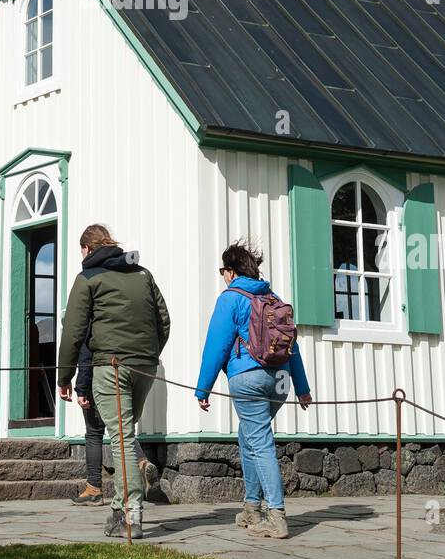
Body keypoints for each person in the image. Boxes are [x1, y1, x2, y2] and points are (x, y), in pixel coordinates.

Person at [58, 224, 170, 539]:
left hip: (111, 366)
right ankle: (120, 509)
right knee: (125, 433)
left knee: (120, 439)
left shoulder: (88, 278)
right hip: (144, 366)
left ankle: (132, 515)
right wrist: (148, 354)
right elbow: (164, 320)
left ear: (87, 249)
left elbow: (73, 331)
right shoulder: (142, 274)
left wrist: (64, 376)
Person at [195, 240, 312, 540]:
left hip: (248, 378)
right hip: (281, 381)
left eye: (223, 270)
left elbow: (216, 345)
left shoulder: (231, 298)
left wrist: (202, 388)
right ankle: (251, 508)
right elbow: (291, 345)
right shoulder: (273, 298)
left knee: (259, 441)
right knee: (248, 436)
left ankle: (276, 516)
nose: (222, 276)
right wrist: (302, 388)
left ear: (231, 272)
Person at [71, 334, 155, 505]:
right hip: (125, 372)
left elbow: (86, 353)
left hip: (99, 377)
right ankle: (142, 463)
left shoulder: (95, 318)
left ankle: (94, 489)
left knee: (94, 433)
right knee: (122, 428)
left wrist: (81, 388)